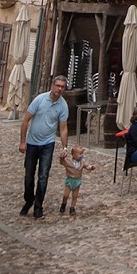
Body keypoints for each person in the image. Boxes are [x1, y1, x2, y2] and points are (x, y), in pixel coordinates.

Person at [19, 74, 70, 219]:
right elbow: (25, 121)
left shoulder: (63, 105)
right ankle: (29, 199)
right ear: (52, 86)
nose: (59, 89)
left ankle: (38, 206)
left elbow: (63, 128)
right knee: (29, 175)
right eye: (57, 86)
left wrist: (65, 147)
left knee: (43, 175)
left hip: (48, 143)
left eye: (62, 87)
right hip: (32, 142)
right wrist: (22, 142)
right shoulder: (39, 100)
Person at [59, 145, 94, 215]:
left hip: (77, 180)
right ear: (74, 155)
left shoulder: (82, 162)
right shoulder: (69, 162)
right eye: (80, 154)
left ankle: (72, 207)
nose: (81, 155)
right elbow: (62, 162)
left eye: (82, 154)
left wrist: (91, 167)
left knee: (75, 196)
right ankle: (64, 203)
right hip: (70, 180)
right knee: (66, 195)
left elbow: (86, 166)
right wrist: (62, 157)